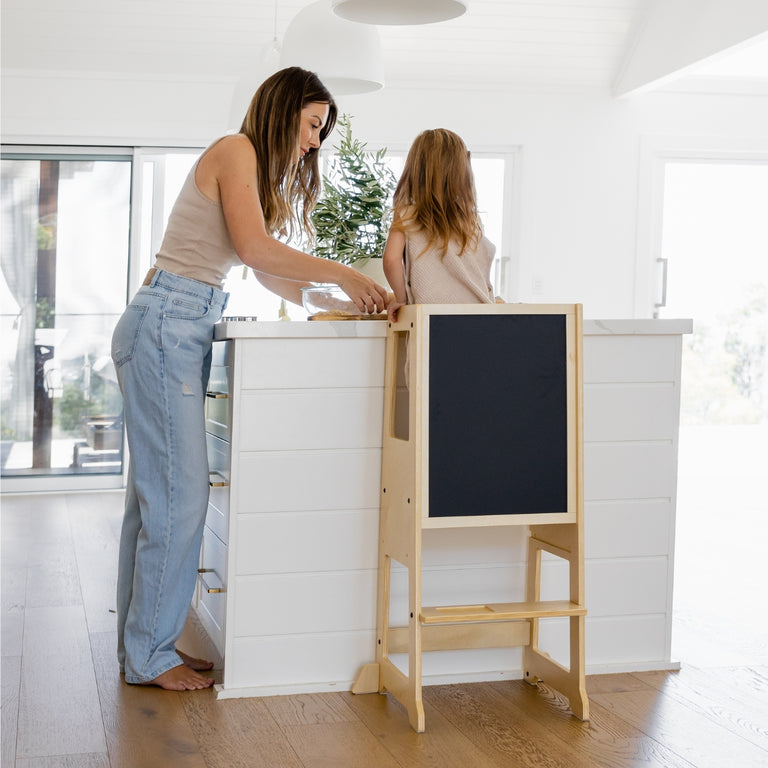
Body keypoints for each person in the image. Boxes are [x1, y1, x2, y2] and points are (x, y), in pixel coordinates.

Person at [110, 67, 387, 691]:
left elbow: (265, 273)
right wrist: (343, 273)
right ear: (285, 108)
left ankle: (146, 643)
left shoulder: (250, 168)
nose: (315, 142)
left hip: (174, 325)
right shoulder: (236, 149)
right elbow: (258, 250)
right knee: (180, 499)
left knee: (155, 499)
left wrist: (331, 297)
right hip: (166, 326)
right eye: (313, 125)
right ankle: (149, 654)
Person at [382, 128, 497, 322]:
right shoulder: (470, 219)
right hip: (481, 314)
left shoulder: (407, 215)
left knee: (427, 353)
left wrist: (402, 299)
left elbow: (391, 261)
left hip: (431, 319)